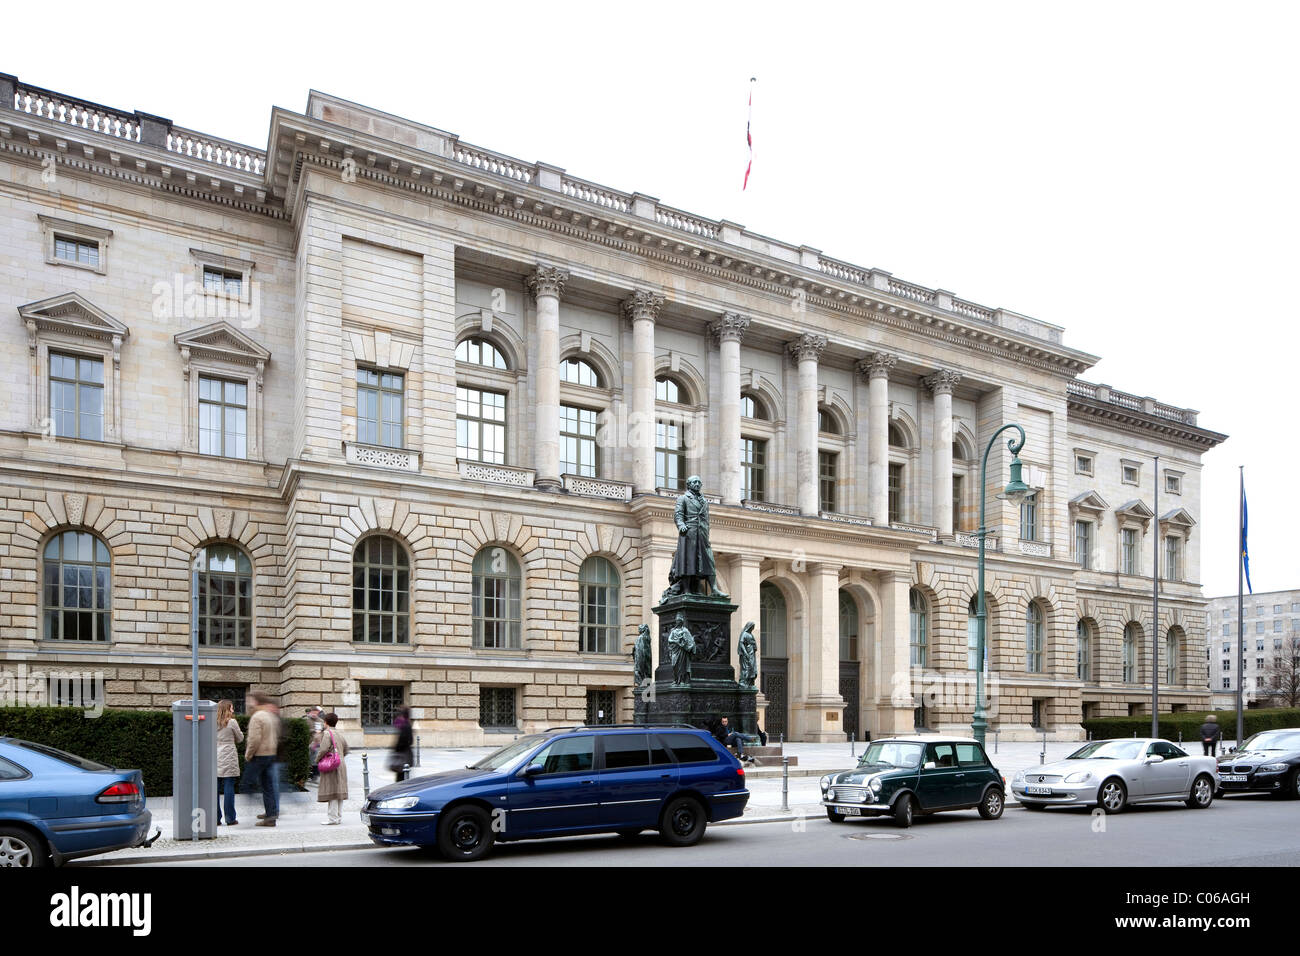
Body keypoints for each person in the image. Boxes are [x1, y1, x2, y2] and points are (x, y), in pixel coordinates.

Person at [243, 691, 280, 826]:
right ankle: (271, 815)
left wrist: (248, 755)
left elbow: (254, 739)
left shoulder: (257, 716)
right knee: (268, 786)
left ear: (256, 701)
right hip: (270, 754)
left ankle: (266, 810)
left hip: (259, 755)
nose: (248, 702)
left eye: (250, 700)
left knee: (246, 784)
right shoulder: (269, 715)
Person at [315, 713, 349, 825]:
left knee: (333, 791)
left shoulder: (327, 733)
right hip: (341, 764)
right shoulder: (339, 734)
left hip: (332, 765)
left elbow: (323, 749)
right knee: (338, 791)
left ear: (325, 722)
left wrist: (317, 759)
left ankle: (332, 818)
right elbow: (346, 749)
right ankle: (338, 817)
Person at [215, 699, 243, 826]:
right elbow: (240, 738)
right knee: (229, 788)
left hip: (214, 756)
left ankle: (216, 818)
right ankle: (230, 818)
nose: (233, 710)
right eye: (231, 708)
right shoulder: (232, 722)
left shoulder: (212, 722)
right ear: (227, 709)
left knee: (214, 790)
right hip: (229, 756)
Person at [390, 707, 414, 782]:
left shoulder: (405, 726)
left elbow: (406, 741)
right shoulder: (407, 724)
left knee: (401, 778)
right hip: (406, 755)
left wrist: (396, 749)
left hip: (403, 756)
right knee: (403, 776)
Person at [305, 705, 325, 784]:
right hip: (308, 742)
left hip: (317, 743)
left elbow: (323, 730)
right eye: (313, 712)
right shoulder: (306, 720)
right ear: (310, 712)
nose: (314, 714)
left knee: (315, 760)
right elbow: (304, 730)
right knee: (308, 760)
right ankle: (309, 775)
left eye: (316, 713)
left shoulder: (320, 721)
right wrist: (313, 730)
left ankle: (315, 776)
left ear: (318, 713)